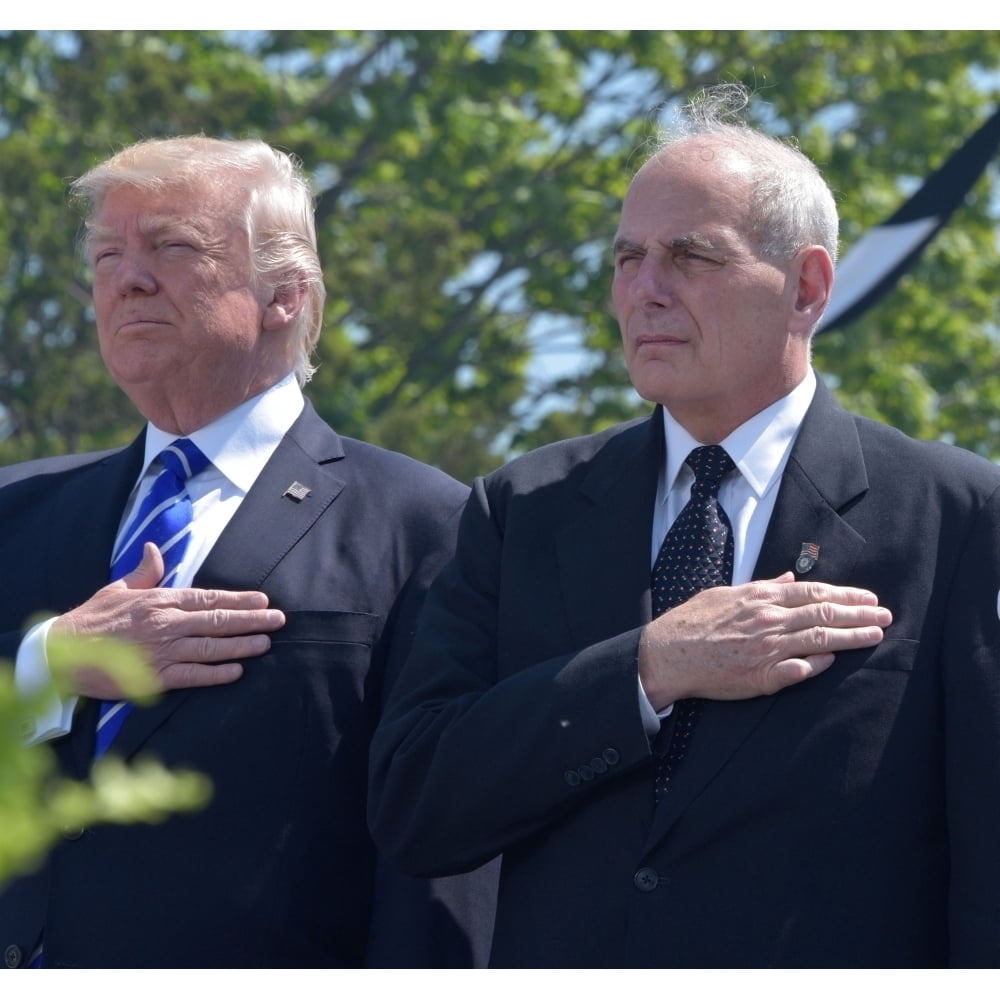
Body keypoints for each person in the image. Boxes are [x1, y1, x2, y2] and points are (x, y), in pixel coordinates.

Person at [369, 85, 1000, 968]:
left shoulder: (959, 516)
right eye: (628, 258)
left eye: (692, 255)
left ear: (806, 288)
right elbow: (415, 806)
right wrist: (647, 670)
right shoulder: (522, 509)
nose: (646, 291)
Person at [0, 136, 495, 968]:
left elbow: (438, 848)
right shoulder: (14, 510)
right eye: (107, 254)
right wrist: (46, 666)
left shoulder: (424, 522)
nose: (129, 278)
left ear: (285, 295)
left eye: (173, 247)